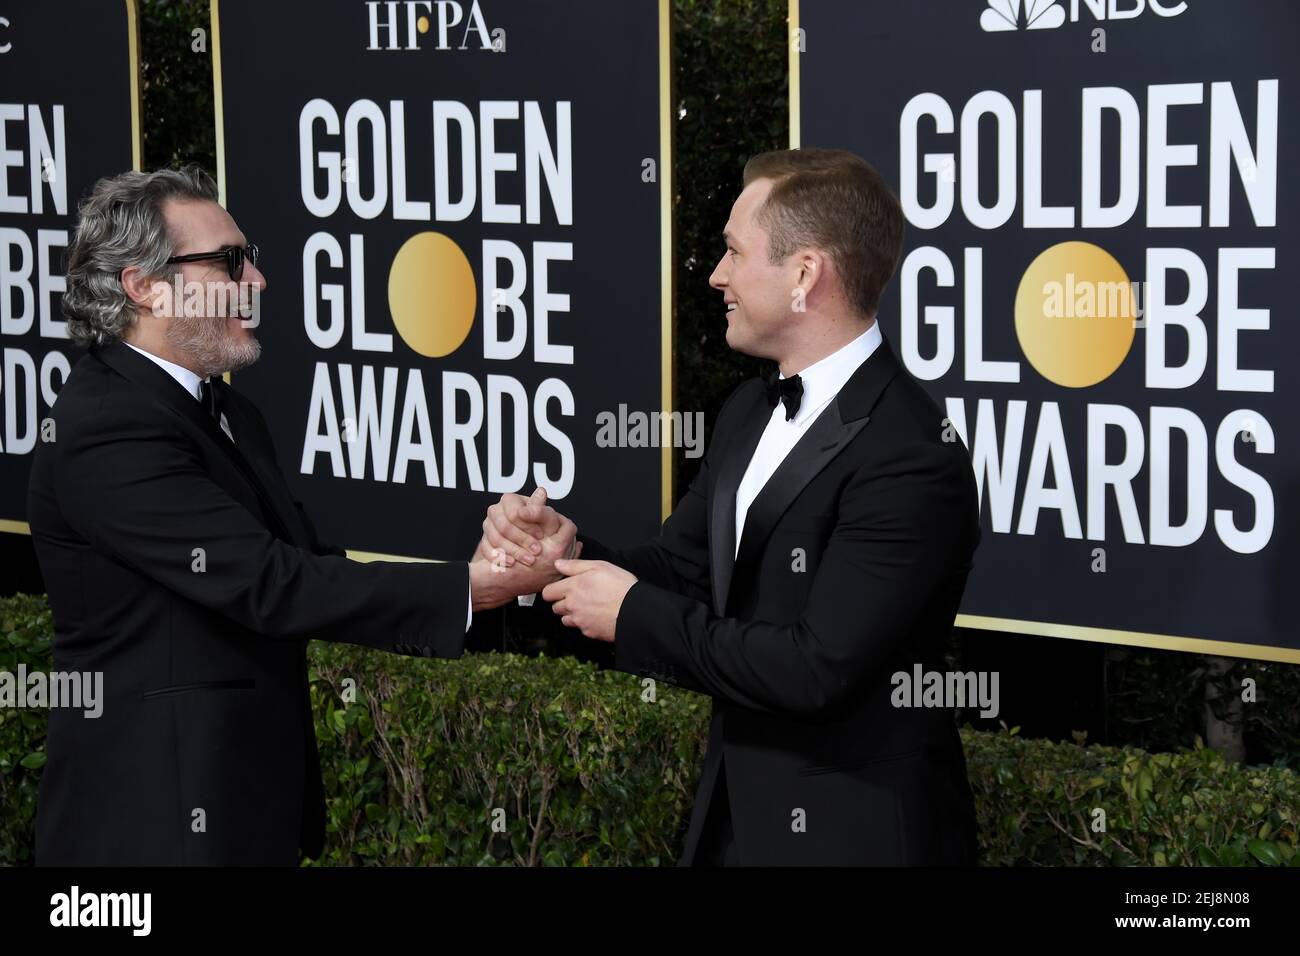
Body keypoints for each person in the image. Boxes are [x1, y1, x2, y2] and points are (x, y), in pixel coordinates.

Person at [27, 166, 573, 865]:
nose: (256, 281)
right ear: (144, 286)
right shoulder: (106, 428)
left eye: (249, 259)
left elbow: (310, 568)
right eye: (229, 262)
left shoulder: (229, 414)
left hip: (239, 814)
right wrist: (467, 588)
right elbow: (271, 585)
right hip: (149, 829)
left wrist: (483, 570)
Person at [480, 148, 982, 865]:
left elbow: (817, 669)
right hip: (731, 820)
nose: (715, 275)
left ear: (806, 275)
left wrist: (633, 614)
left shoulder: (910, 454)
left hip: (856, 838)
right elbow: (682, 570)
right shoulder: (748, 409)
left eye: (733, 252)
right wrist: (563, 557)